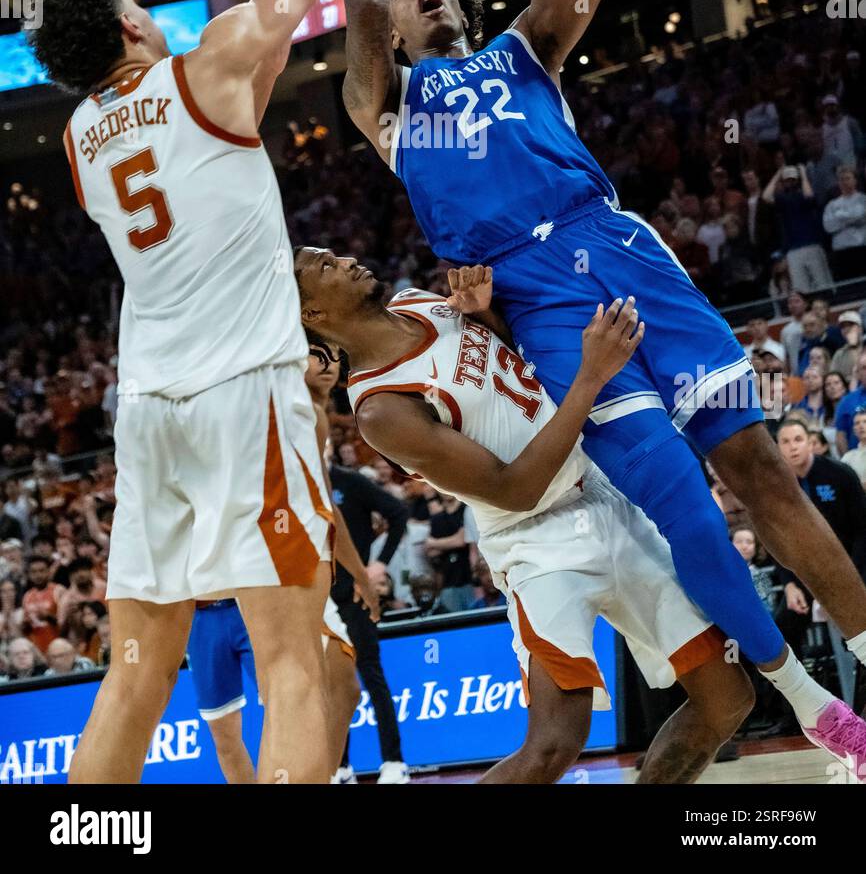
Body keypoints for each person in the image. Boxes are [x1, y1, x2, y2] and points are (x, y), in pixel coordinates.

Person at [311, 0, 866, 731]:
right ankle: (818, 711)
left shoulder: (528, 51)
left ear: (466, 1)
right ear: (393, 33)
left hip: (624, 252)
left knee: (758, 467)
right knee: (683, 501)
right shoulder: (387, 104)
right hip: (541, 303)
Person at [295, 249, 866, 779]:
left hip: (602, 492)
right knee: (555, 742)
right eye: (322, 265)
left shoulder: (415, 303)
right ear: (314, 311)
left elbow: (509, 364)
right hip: (534, 539)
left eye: (334, 253)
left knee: (728, 698)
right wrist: (591, 376)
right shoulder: (379, 408)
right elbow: (513, 488)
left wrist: (487, 312)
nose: (342, 259)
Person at [32, 0, 335, 784]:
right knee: (289, 656)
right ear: (132, 22)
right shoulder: (205, 72)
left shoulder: (80, 144)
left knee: (134, 672)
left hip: (149, 412)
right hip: (241, 394)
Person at [309, 348, 411, 786]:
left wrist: (377, 566)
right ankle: (341, 766)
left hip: (353, 593)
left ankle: (394, 762)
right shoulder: (300, 486)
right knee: (332, 683)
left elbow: (399, 513)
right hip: (317, 597)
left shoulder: (351, 483)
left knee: (370, 675)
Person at [776, 418, 866, 708]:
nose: (793, 447)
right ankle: (799, 712)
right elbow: (778, 540)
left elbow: (863, 532)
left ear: (810, 441)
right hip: (807, 576)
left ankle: (859, 708)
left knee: (859, 636)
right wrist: (789, 583)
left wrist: (846, 583)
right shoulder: (778, 487)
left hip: (853, 570)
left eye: (798, 440)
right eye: (785, 442)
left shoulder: (840, 475)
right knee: (781, 633)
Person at [763, 165, 834, 294]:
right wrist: (778, 174)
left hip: (812, 245)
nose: (790, 182)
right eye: (787, 180)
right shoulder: (782, 199)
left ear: (798, 180)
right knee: (801, 289)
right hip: (793, 250)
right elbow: (766, 196)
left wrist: (803, 175)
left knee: (822, 284)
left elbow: (809, 196)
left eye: (793, 179)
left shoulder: (804, 195)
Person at [823, 167, 866, 281]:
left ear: (855, 180)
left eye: (847, 178)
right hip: (841, 253)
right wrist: (851, 218)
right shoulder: (832, 205)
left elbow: (862, 218)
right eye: (841, 179)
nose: (844, 182)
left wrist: (841, 219)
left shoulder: (863, 200)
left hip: (861, 248)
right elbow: (829, 227)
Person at [842, 410, 866, 487]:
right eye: (857, 423)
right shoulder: (848, 457)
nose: (861, 426)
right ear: (854, 430)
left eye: (865, 422)